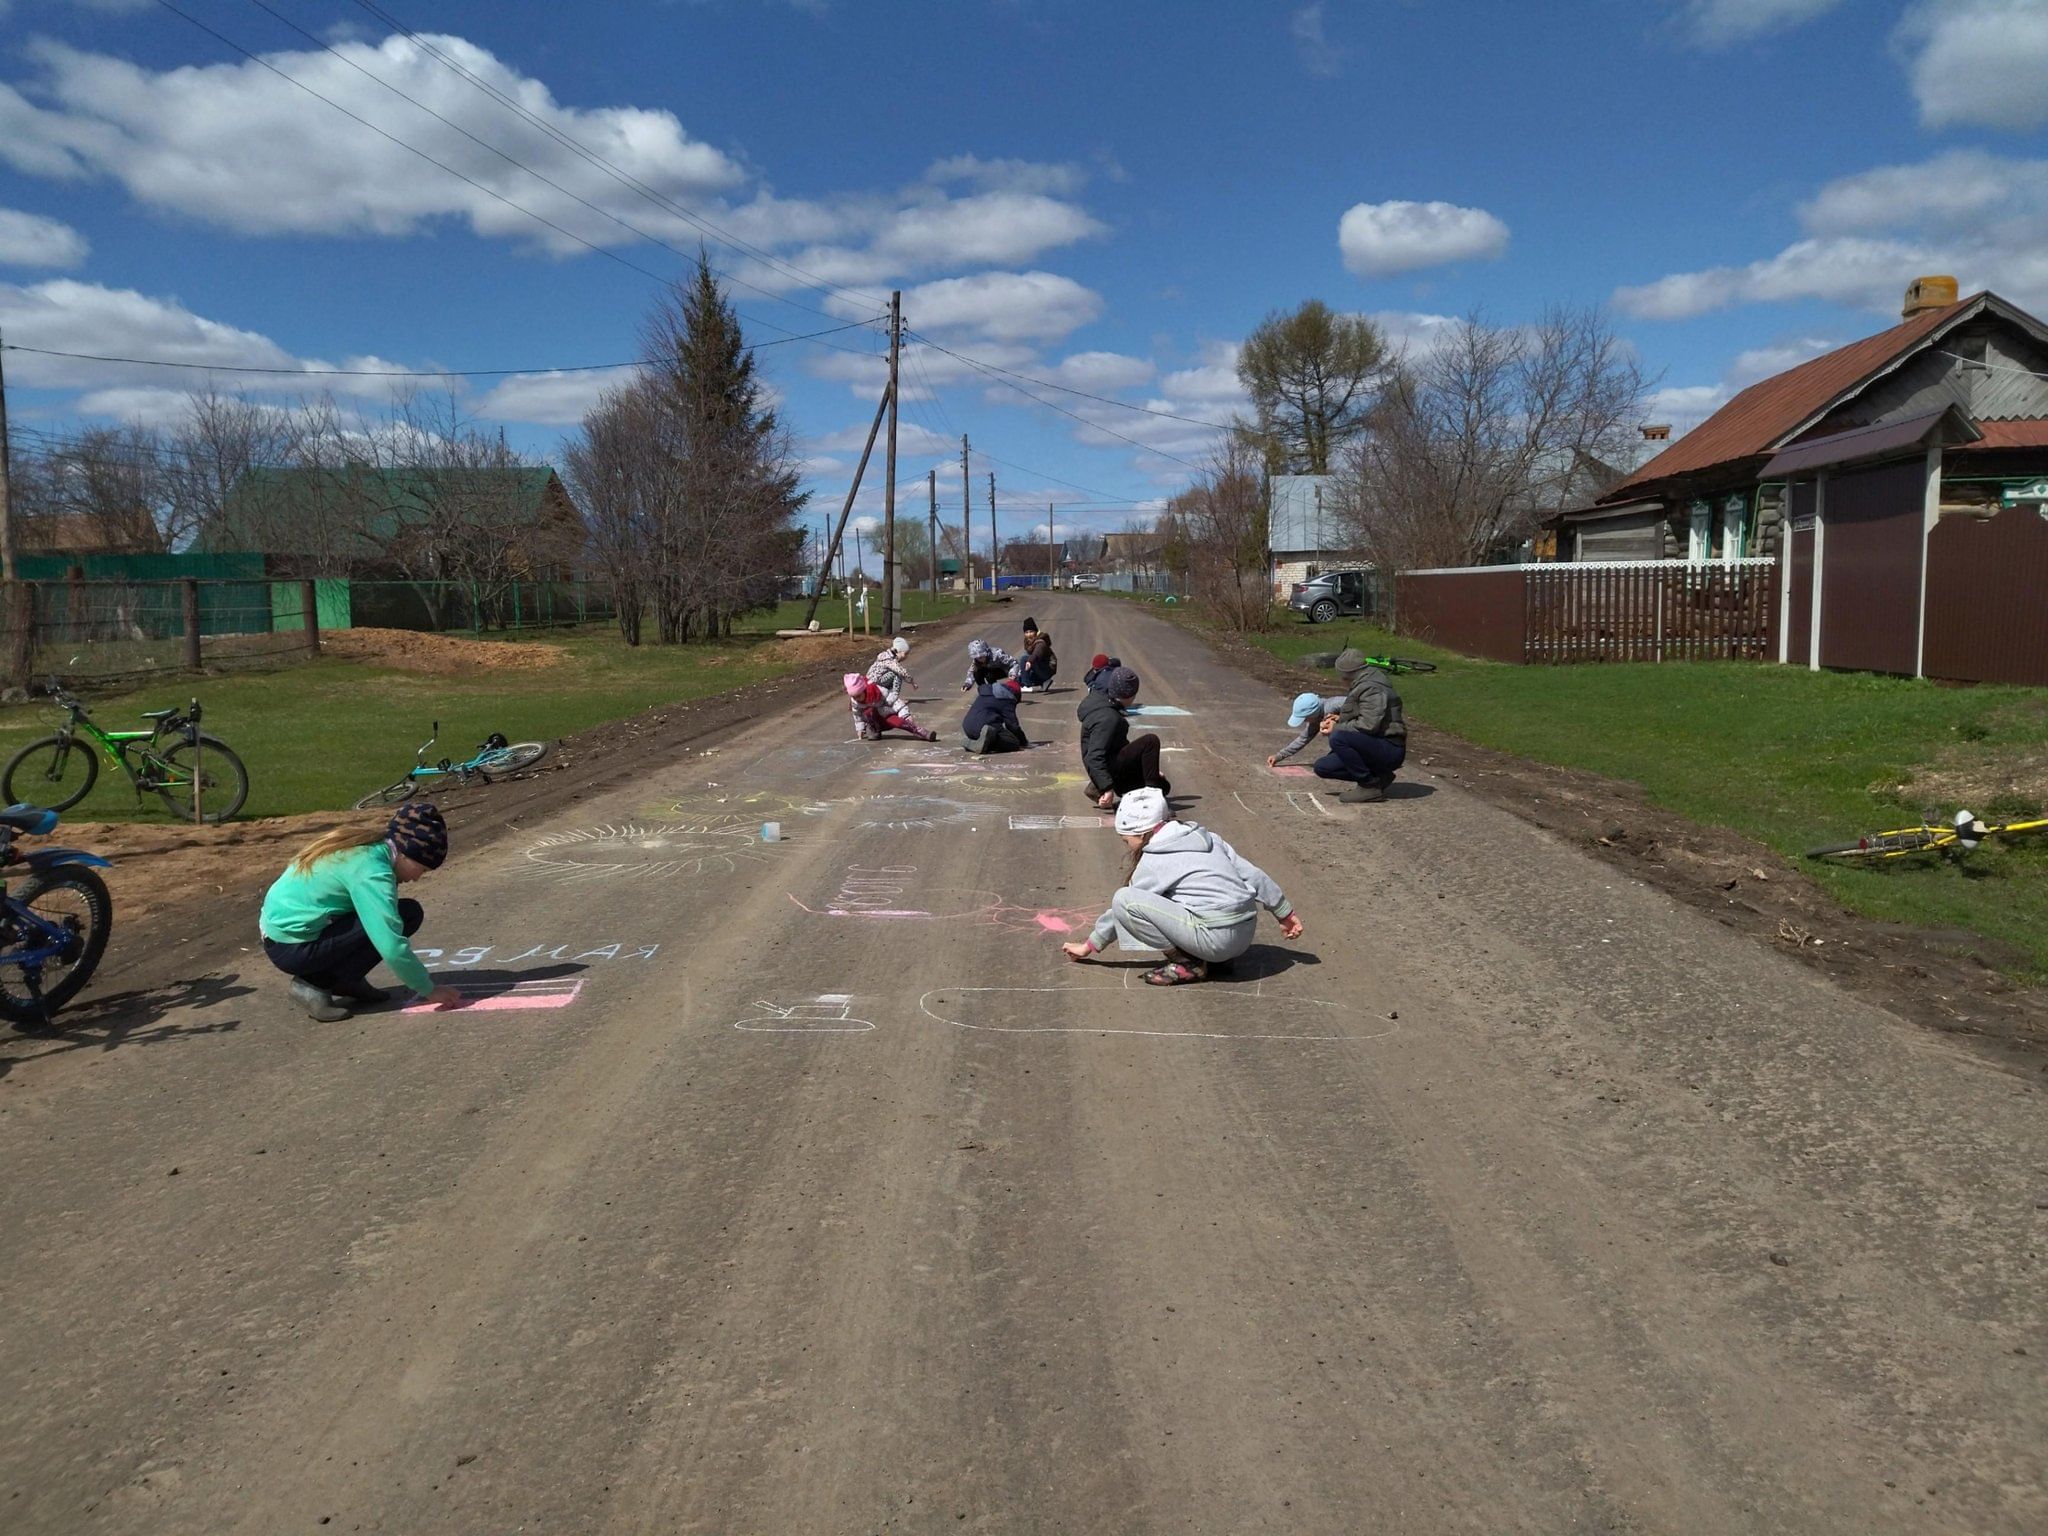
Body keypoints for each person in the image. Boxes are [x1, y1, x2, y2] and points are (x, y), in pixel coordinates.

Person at [1060, 788, 1303, 985]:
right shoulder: (1209, 838)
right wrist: (1284, 913)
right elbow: (1253, 875)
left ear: (1141, 833)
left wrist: (1089, 945)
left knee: (1125, 899)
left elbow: (1123, 909)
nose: (1127, 845)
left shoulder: (1155, 860)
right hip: (1244, 934)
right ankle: (1214, 959)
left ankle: (1188, 963)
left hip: (1215, 939)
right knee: (1182, 897)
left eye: (1126, 839)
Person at [259, 802, 464, 1021]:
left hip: (283, 935)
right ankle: (313, 986)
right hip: (291, 946)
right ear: (406, 853)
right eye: (422, 868)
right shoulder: (372, 872)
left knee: (406, 912)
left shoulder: (369, 849)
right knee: (401, 917)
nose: (417, 878)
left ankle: (346, 981)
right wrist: (428, 989)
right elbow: (390, 944)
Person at [1312, 647, 1407, 803]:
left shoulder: (1372, 689)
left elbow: (1369, 724)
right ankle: (1379, 777)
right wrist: (1338, 718)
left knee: (1338, 738)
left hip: (1389, 747)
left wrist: (1336, 728)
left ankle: (1368, 786)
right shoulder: (1364, 684)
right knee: (1322, 767)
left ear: (1348, 675)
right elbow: (1364, 713)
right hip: (1375, 744)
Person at [1077, 665, 1169, 810]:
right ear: (1130, 695)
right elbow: (1094, 756)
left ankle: (1097, 786)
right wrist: (1107, 788)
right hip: (1110, 770)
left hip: (1112, 766)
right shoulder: (1108, 718)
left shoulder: (1103, 702)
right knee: (1150, 741)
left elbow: (1119, 746)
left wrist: (1148, 767)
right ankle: (1152, 801)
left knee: (1163, 786)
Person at [845, 672, 936, 741]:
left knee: (897, 721)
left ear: (864, 690)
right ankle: (874, 730)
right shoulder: (855, 701)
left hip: (886, 714)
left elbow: (896, 702)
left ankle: (920, 732)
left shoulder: (879, 691)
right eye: (854, 697)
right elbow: (857, 715)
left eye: (858, 696)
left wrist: (905, 715)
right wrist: (860, 728)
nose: (857, 699)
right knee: (867, 711)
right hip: (873, 721)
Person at [1267, 689, 1346, 769]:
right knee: (1325, 766)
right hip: (1346, 744)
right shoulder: (1317, 717)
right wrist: (1279, 756)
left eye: (1305, 718)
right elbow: (1303, 739)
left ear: (1313, 713)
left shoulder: (1335, 705)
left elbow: (1359, 712)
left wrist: (1341, 719)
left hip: (1356, 739)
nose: (1305, 721)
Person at [962, 676, 1029, 754]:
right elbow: (1012, 725)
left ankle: (972, 743)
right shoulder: (1008, 698)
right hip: (986, 727)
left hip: (967, 726)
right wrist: (1023, 741)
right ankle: (983, 742)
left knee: (989, 734)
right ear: (1016, 695)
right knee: (1013, 742)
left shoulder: (987, 691)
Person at [1017, 617, 1057, 691]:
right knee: (1018, 678)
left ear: (1036, 632)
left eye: (1031, 631)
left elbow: (1037, 653)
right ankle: (1044, 682)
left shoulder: (1041, 642)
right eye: (1026, 632)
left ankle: (1026, 685)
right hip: (1038, 669)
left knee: (1024, 658)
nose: (1029, 635)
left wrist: (1029, 661)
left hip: (1046, 669)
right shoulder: (1028, 642)